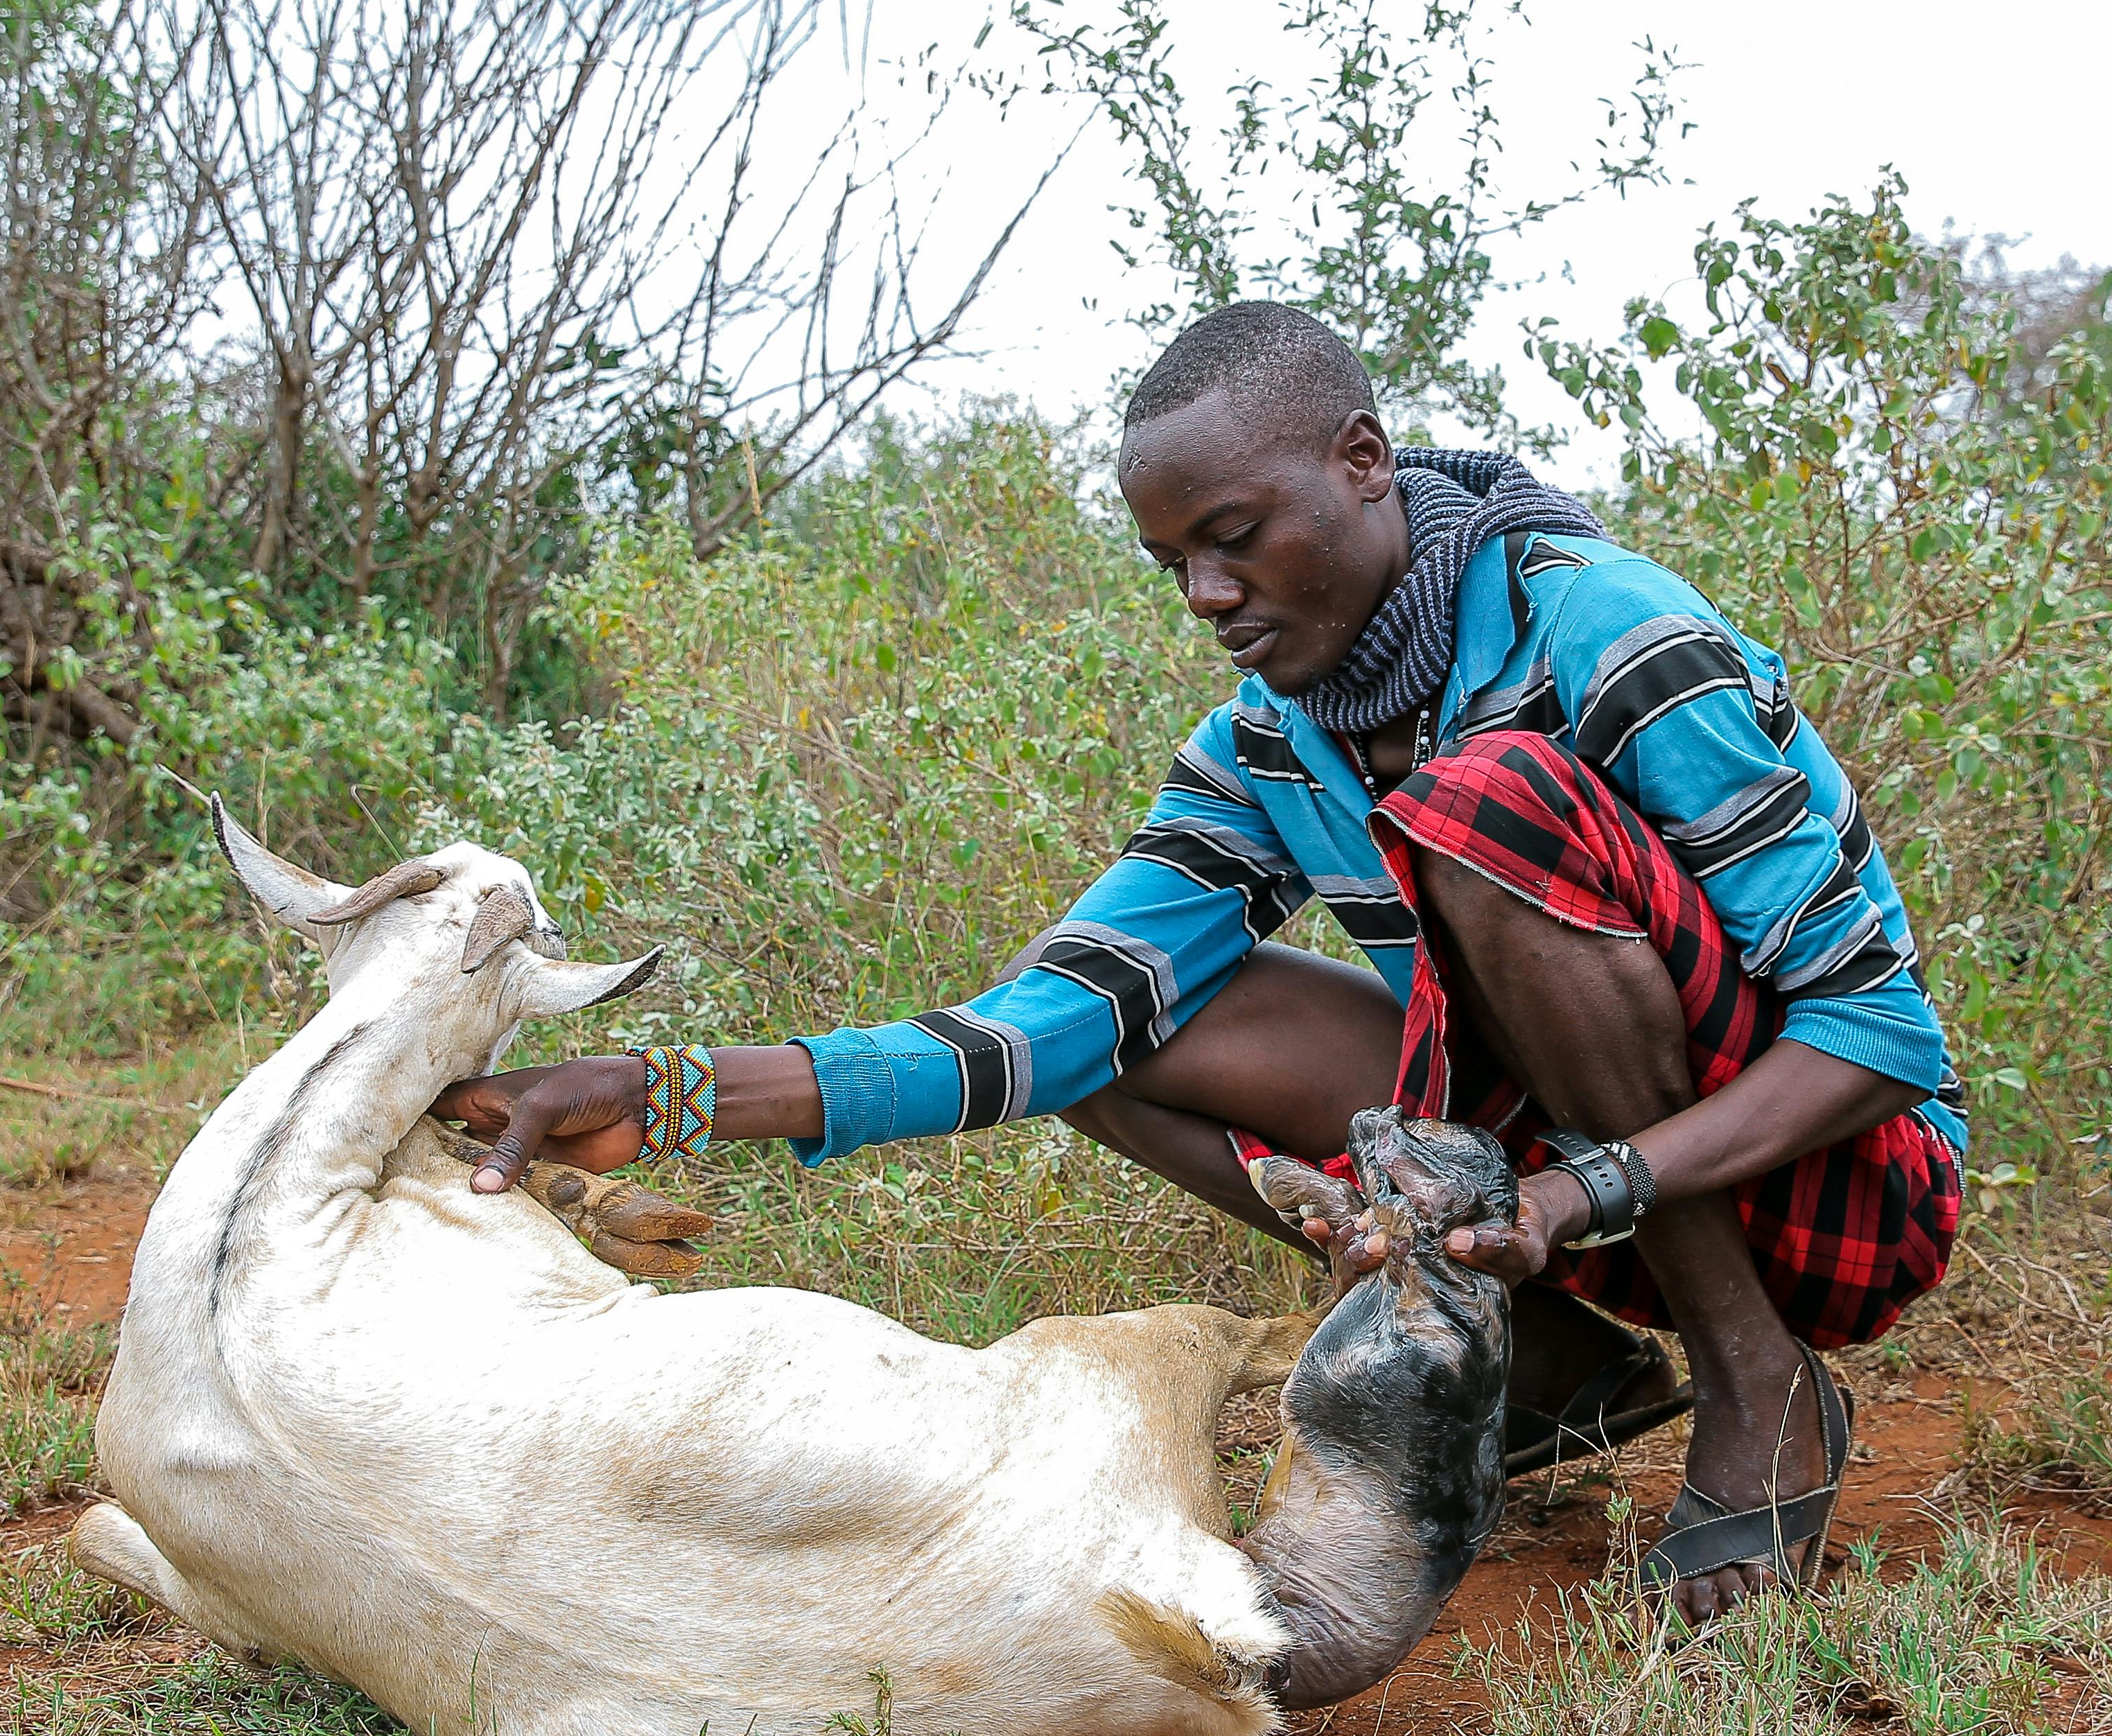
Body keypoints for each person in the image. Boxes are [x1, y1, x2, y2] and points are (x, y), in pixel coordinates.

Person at [434, 300, 1963, 1621]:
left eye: (1233, 540)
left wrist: (1571, 1197)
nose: (1207, 599)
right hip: (1561, 1185)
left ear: (1365, 463)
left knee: (1490, 798)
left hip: (1832, 1186)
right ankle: (1553, 1359)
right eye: (1174, 562)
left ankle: (1757, 1382)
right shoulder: (1270, 746)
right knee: (1104, 1025)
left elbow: (1881, 1038)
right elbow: (1037, 1031)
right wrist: (674, 1091)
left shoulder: (1610, 636)